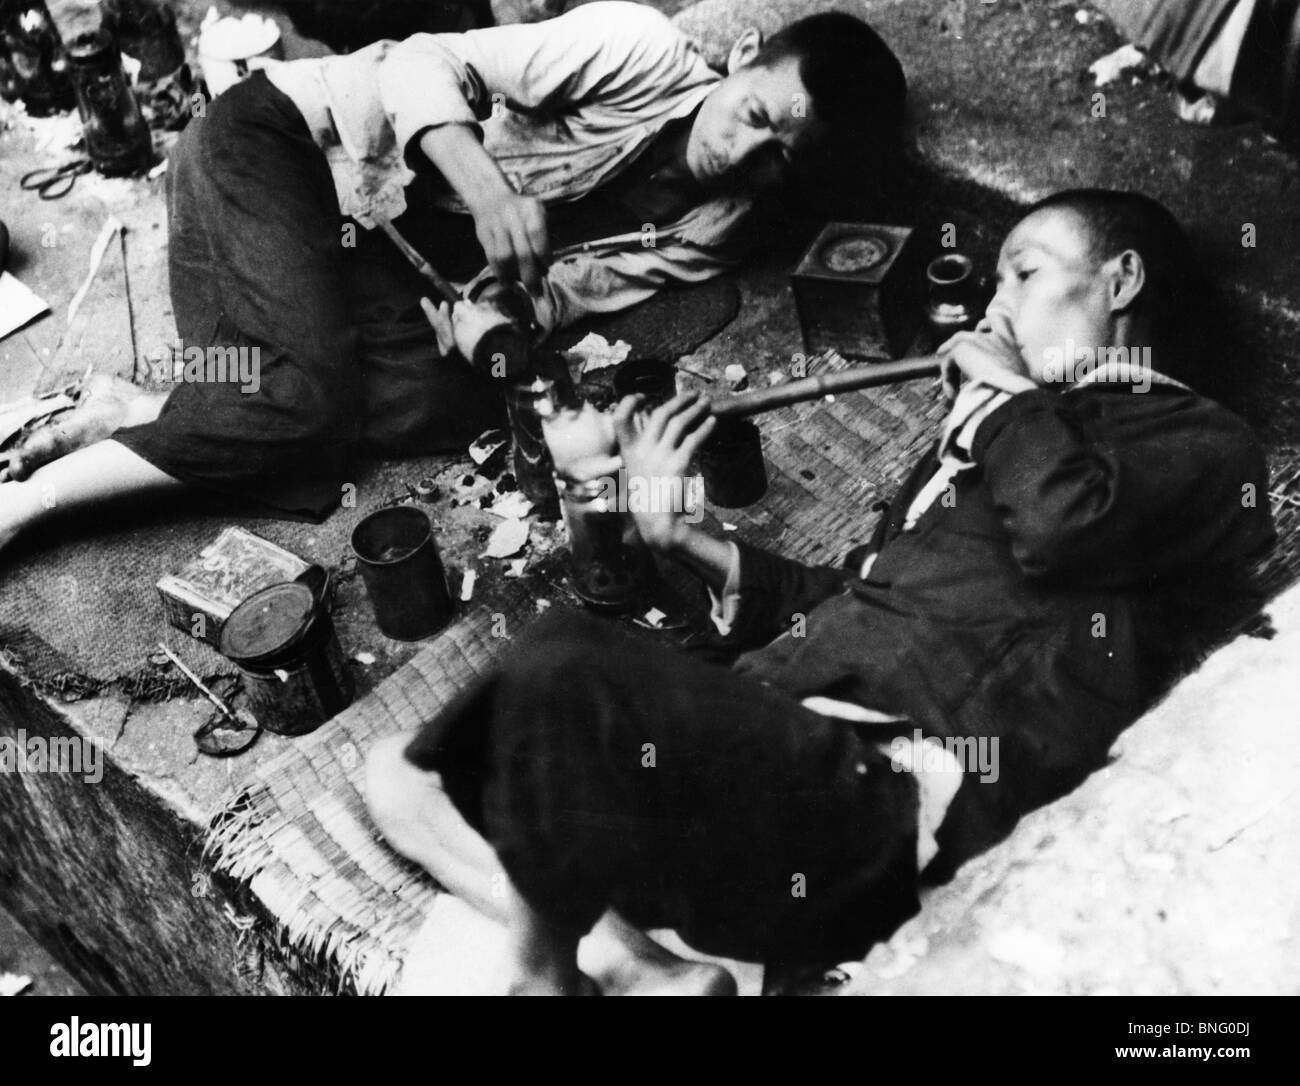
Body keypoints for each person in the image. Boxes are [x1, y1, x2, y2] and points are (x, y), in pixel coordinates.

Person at [363, 189, 1277, 995]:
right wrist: (683, 538)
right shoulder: (999, 435)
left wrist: (998, 397)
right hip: (776, 763)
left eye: (1023, 275)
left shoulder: (1199, 439)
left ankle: (546, 977)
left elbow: (1062, 527)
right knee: (403, 771)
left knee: (559, 668)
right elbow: (854, 601)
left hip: (879, 803)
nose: (995, 310)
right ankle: (633, 963)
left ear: (1121, 281)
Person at [0, 4, 906, 557]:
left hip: (386, 258)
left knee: (460, 400)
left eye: (780, 159)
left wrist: (492, 314)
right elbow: (422, 61)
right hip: (292, 152)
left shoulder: (723, 229)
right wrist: (485, 186)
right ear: (743, 53)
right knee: (316, 404)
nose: (741, 153)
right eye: (755, 115)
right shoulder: (637, 49)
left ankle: (148, 409)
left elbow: (568, 292)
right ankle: (25, 508)